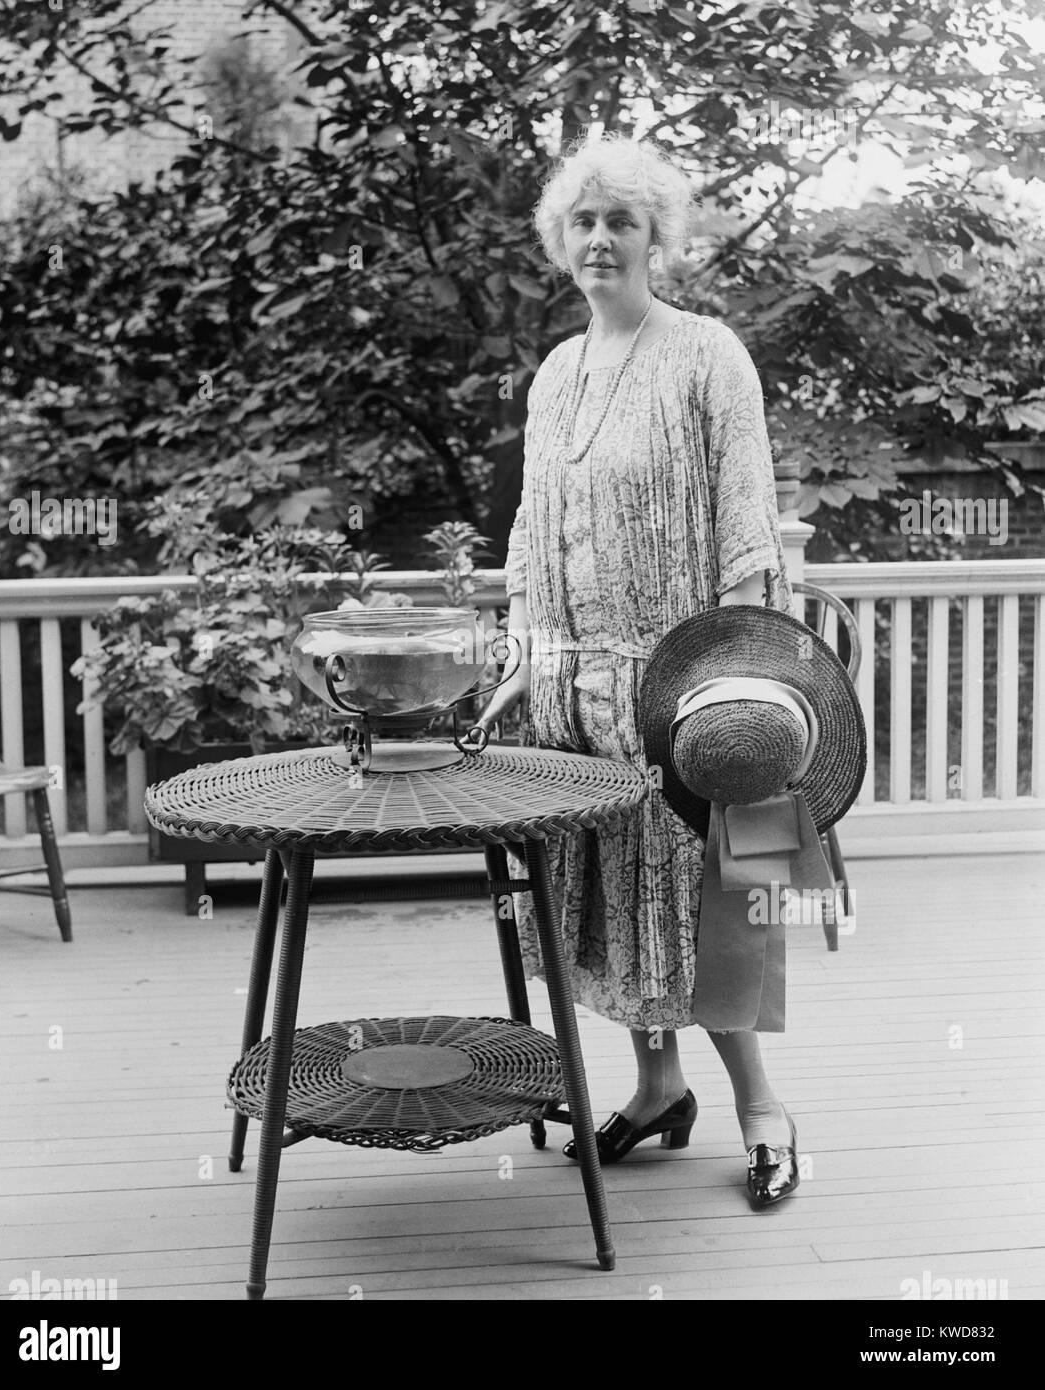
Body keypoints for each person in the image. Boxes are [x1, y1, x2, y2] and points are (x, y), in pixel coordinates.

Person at [472, 132, 798, 1206]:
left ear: (657, 235)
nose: (600, 237)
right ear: (558, 240)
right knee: (613, 900)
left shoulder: (707, 353)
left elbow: (747, 528)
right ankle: (656, 1087)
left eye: (621, 219)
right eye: (582, 220)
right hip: (573, 694)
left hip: (680, 689)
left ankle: (760, 1104)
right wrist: (525, 650)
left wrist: (733, 684)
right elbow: (530, 533)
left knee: (709, 899)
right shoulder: (556, 373)